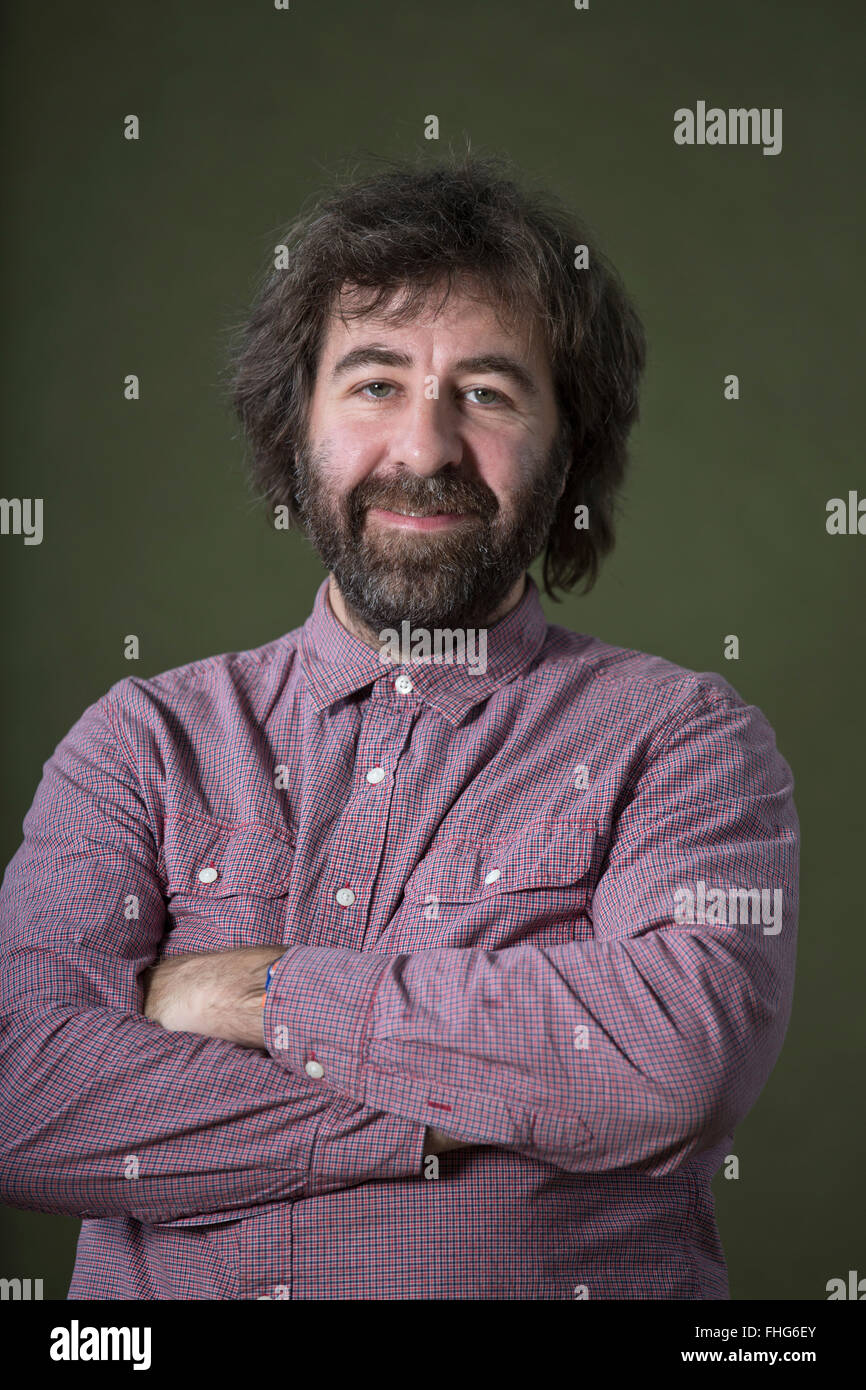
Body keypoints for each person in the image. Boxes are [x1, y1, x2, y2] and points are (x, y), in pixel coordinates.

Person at [0, 153, 798, 1299]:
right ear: (297, 425)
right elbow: (27, 1093)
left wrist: (261, 996)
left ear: (569, 446)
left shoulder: (683, 741)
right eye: (374, 383)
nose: (422, 450)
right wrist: (445, 1123)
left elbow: (669, 1062)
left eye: (485, 392)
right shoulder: (140, 740)